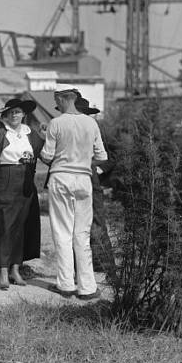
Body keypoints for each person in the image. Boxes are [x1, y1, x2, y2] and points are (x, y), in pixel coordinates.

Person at [39, 88, 108, 300]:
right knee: (82, 234)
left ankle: (66, 284)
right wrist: (83, 161)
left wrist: (46, 143)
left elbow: (46, 156)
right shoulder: (91, 123)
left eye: (56, 101)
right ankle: (87, 287)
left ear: (61, 100)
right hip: (84, 179)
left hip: (61, 178)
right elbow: (102, 156)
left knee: (62, 232)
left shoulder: (56, 123)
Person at [0, 97, 44, 290]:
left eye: (18, 112)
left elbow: (43, 152)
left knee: (22, 224)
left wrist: (46, 137)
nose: (15, 115)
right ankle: (3, 272)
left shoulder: (30, 133)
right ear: (5, 114)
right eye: (11, 112)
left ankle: (16, 270)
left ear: (24, 114)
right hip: (5, 178)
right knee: (5, 224)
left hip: (26, 180)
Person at [74, 97, 114, 273]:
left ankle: (102, 264)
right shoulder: (63, 126)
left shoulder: (94, 128)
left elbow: (109, 154)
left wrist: (96, 169)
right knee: (73, 222)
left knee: (96, 219)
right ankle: (78, 266)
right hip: (68, 178)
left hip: (90, 176)